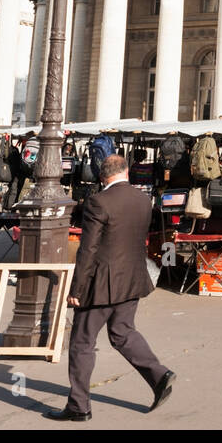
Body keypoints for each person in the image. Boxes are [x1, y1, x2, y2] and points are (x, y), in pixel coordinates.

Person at [46, 154, 174, 422]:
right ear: (126, 171)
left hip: (101, 283)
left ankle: (79, 405)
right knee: (123, 333)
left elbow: (88, 249)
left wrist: (76, 290)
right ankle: (159, 375)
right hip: (133, 278)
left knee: (82, 342)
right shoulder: (142, 199)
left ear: (102, 176)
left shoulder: (98, 202)